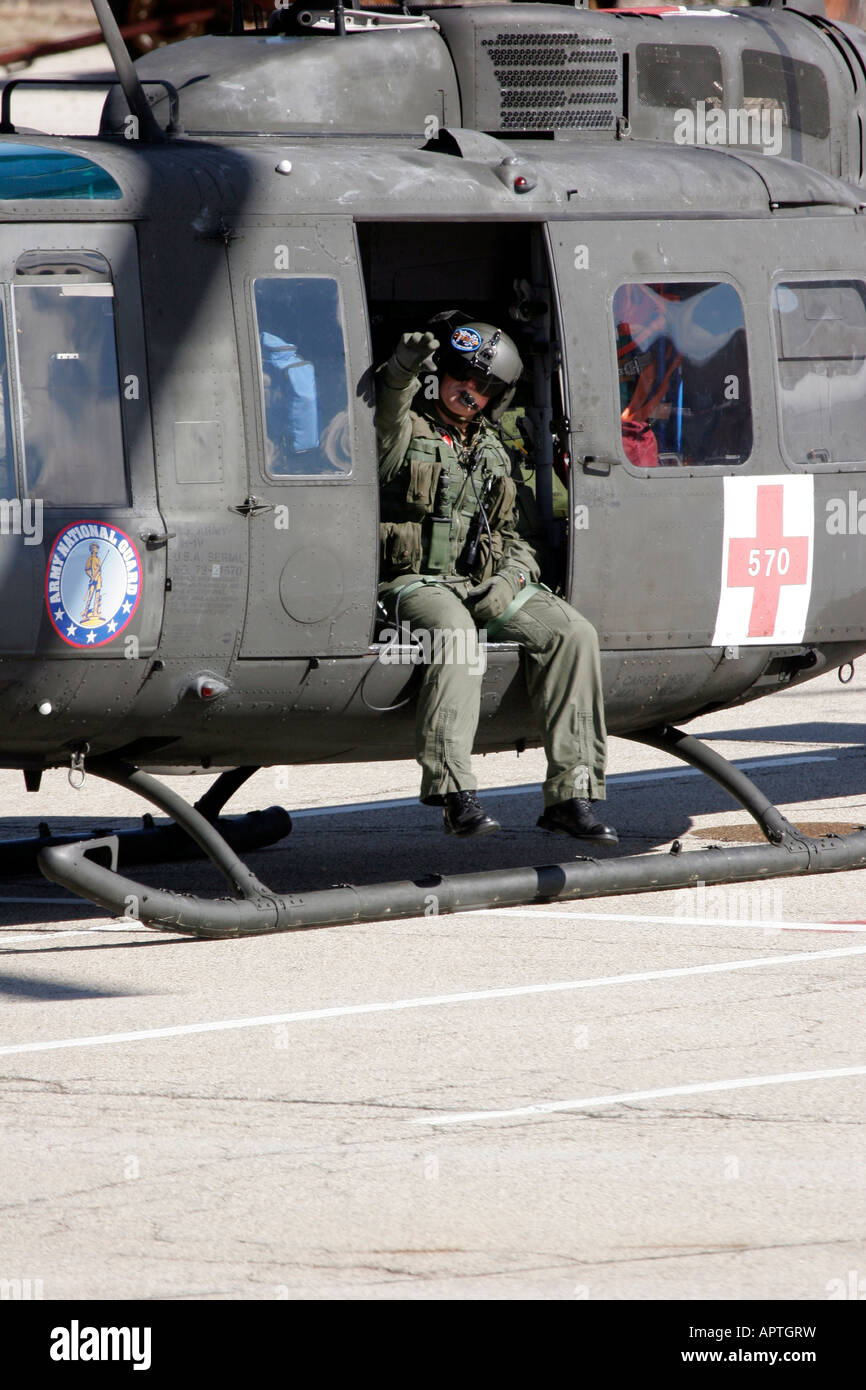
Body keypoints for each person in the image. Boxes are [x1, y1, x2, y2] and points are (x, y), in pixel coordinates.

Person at [376, 321, 617, 844]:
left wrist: (511, 579)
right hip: (413, 582)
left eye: (485, 387)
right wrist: (399, 371)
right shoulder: (404, 433)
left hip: (481, 584)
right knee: (456, 633)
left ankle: (572, 794)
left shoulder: (495, 450)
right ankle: (453, 792)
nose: (471, 391)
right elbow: (388, 410)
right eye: (463, 376)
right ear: (442, 374)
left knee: (573, 634)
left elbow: (518, 535)